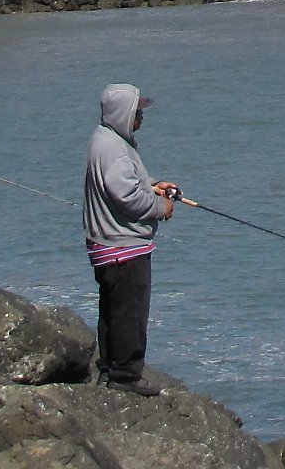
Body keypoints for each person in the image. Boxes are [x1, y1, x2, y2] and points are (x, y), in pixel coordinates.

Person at [83, 84, 177, 395]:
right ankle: (125, 376)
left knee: (112, 312)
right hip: (122, 246)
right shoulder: (113, 147)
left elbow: (128, 181)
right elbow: (126, 196)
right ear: (123, 113)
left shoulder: (108, 140)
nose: (141, 118)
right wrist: (160, 207)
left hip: (109, 245)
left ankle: (109, 369)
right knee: (130, 313)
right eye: (137, 113)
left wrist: (154, 185)